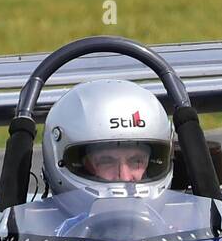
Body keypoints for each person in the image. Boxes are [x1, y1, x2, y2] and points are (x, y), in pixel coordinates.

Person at [40, 79, 174, 198]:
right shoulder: (32, 225)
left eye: (137, 161)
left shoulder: (185, 221)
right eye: (105, 161)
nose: (125, 177)